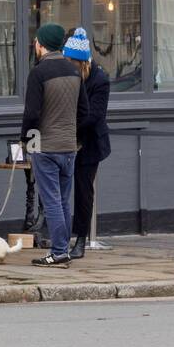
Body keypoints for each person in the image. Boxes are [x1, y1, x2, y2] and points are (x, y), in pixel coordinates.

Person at [23, 23, 90, 267]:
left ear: (40, 45)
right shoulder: (74, 71)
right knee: (62, 200)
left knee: (50, 200)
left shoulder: (38, 73)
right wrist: (73, 136)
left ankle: (60, 250)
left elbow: (31, 114)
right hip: (69, 147)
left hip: (45, 146)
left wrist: (26, 140)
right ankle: (63, 249)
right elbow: (85, 111)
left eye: (36, 42)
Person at [63, 27, 111, 259]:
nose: (70, 67)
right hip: (65, 139)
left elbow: (94, 116)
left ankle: (81, 239)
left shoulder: (100, 79)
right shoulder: (69, 73)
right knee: (59, 188)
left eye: (73, 63)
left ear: (83, 63)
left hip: (89, 143)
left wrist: (66, 125)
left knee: (83, 191)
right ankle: (59, 236)